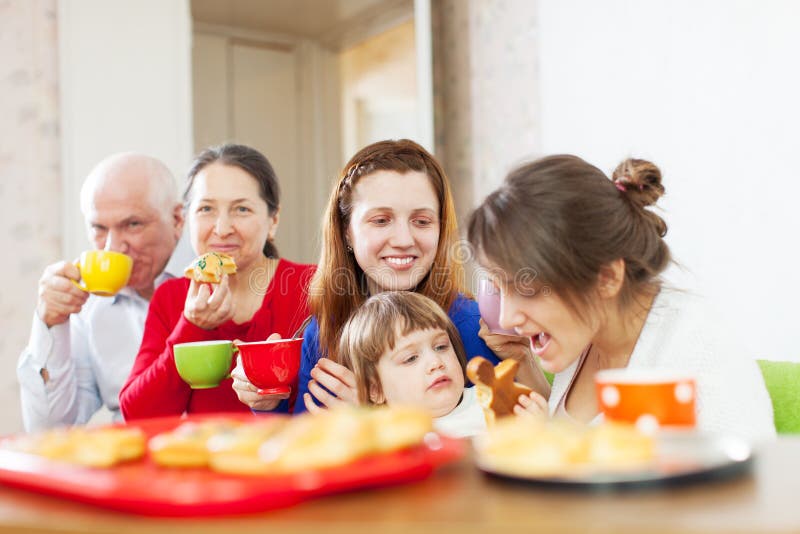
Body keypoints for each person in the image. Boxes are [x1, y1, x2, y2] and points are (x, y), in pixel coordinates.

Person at [467, 154, 776, 442]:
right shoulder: (585, 336)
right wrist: (524, 364)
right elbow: (580, 441)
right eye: (498, 287)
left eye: (527, 288)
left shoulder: (697, 350)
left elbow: (755, 485)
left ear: (607, 278)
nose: (506, 318)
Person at [232, 139, 549, 413]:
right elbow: (307, 446)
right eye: (381, 220)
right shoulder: (323, 331)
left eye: (422, 221)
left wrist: (373, 421)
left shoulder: (473, 328)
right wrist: (268, 404)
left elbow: (495, 438)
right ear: (346, 233)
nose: (403, 239)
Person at [119, 144, 315, 419]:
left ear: (273, 221)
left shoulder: (314, 286)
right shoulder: (171, 297)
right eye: (206, 209)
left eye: (242, 209)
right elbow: (138, 414)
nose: (222, 229)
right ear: (187, 219)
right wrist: (191, 326)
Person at [17, 153, 186, 431]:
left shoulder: (215, 278)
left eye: (133, 225)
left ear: (177, 220)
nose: (113, 248)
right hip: (131, 462)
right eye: (99, 228)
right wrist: (51, 323)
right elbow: (51, 428)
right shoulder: (89, 307)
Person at [339, 291, 549, 438]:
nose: (435, 362)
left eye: (440, 347)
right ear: (375, 390)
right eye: (411, 358)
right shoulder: (386, 437)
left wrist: (539, 426)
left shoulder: (493, 400)